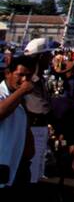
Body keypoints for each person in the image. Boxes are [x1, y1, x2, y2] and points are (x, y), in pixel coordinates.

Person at [0, 55, 36, 190]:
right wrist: (22, 91)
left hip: (16, 166)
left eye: (28, 76)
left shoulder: (19, 99)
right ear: (8, 73)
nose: (24, 80)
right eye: (20, 75)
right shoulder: (3, 94)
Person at [23, 40, 54, 182]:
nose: (51, 58)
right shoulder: (31, 82)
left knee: (36, 172)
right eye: (49, 55)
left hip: (38, 130)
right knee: (31, 173)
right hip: (33, 131)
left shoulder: (40, 79)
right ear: (41, 57)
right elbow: (42, 109)